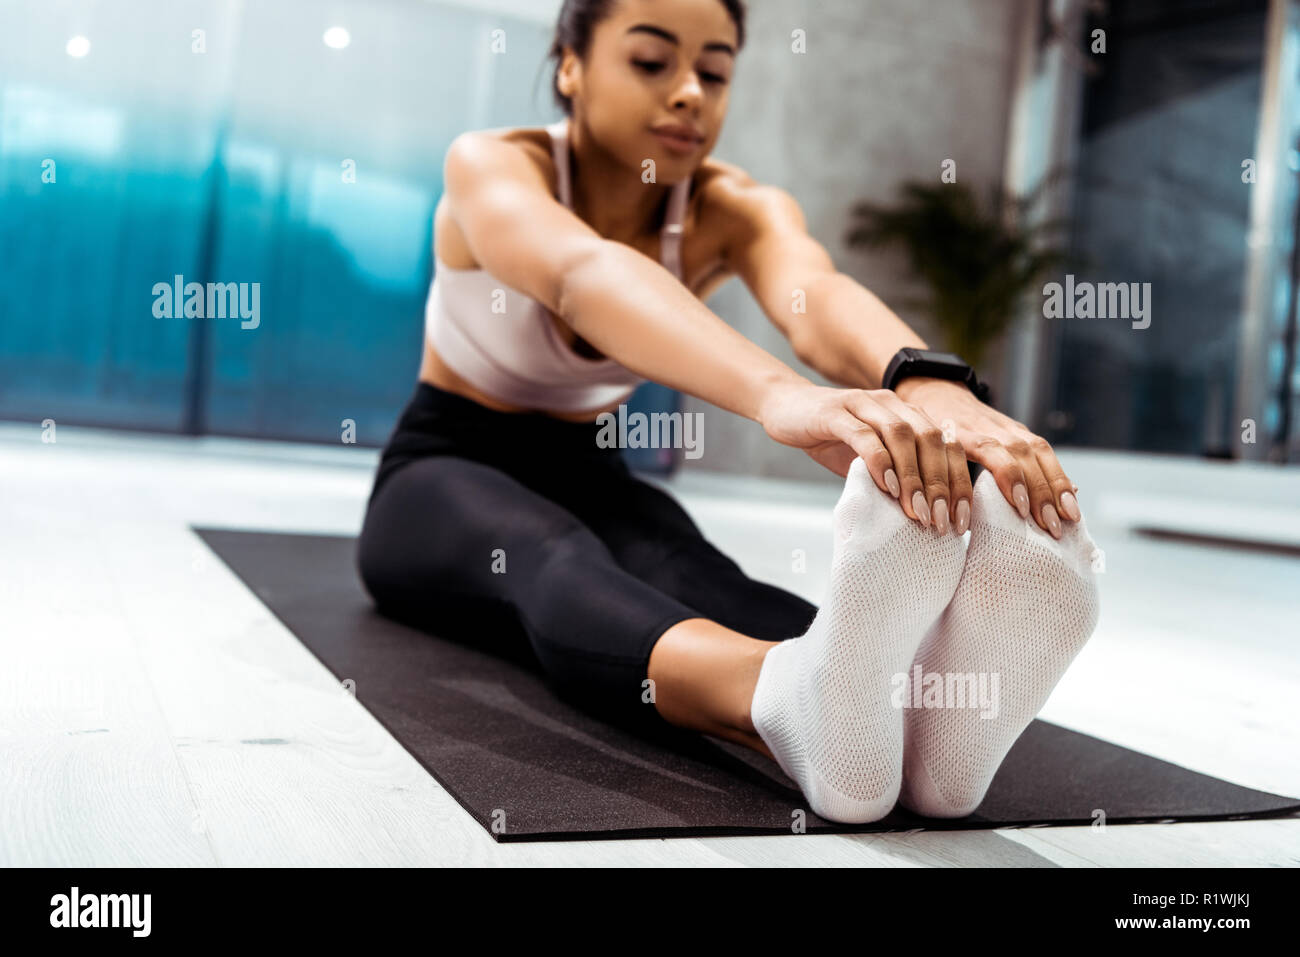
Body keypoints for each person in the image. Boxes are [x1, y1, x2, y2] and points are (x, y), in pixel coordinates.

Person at [357, 0, 1101, 824]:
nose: (688, 94)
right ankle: (782, 701)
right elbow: (582, 275)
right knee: (554, 559)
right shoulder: (493, 166)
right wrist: (780, 396)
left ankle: (925, 714)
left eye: (712, 72)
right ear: (569, 67)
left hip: (592, 466)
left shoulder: (731, 206)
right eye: (651, 62)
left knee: (700, 575)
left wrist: (929, 382)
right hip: (445, 465)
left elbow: (810, 293)